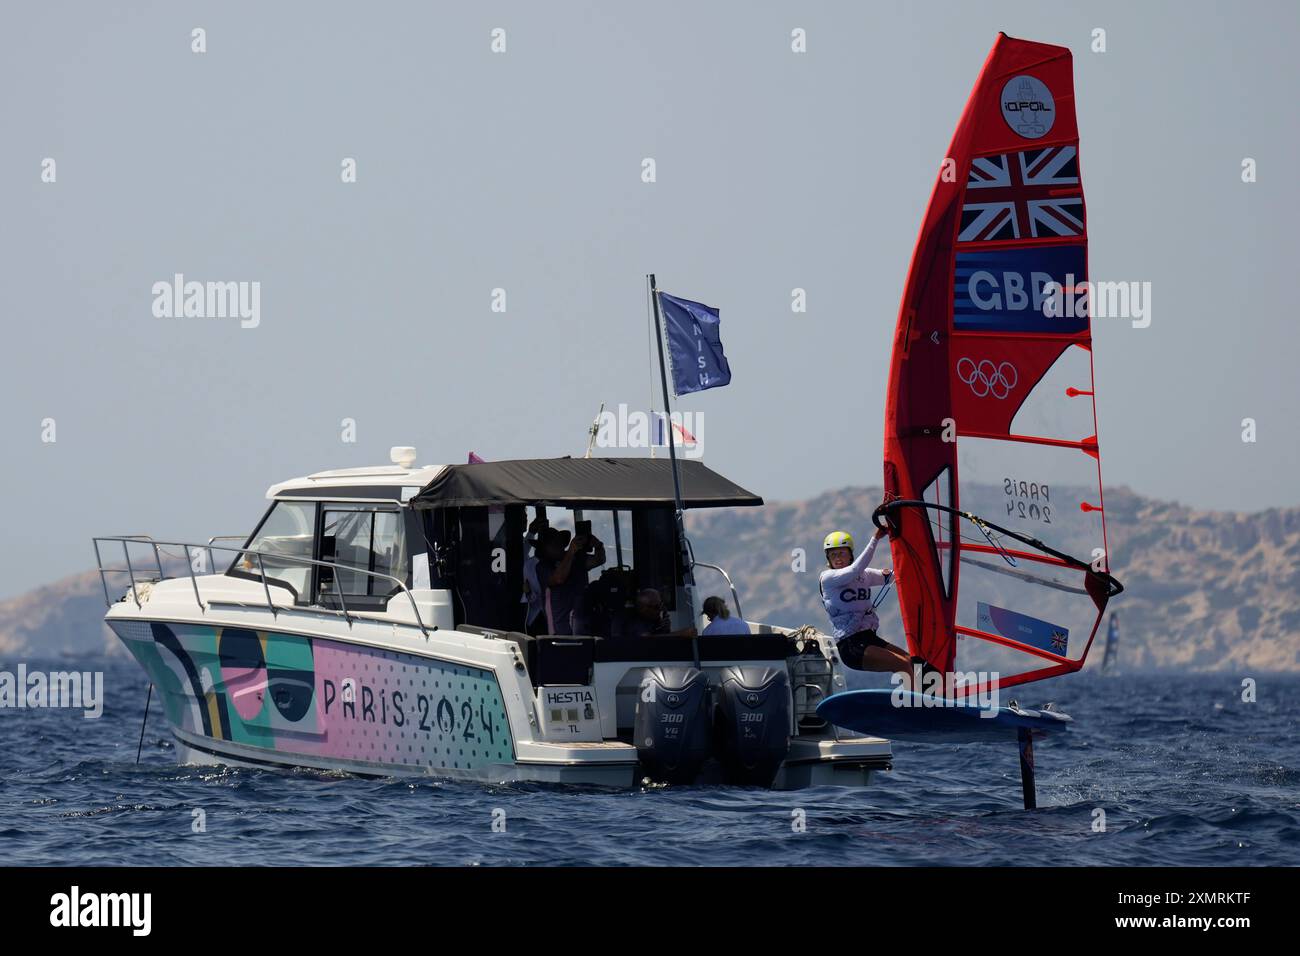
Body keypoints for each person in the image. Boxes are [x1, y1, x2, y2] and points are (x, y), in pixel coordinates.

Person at [819, 526, 911, 674]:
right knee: (902, 664)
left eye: (842, 553)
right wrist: (875, 539)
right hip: (851, 645)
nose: (837, 558)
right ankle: (914, 698)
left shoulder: (865, 575)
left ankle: (921, 695)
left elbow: (896, 576)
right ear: (828, 558)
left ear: (850, 555)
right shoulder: (828, 578)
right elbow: (854, 570)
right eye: (833, 554)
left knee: (910, 662)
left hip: (869, 637)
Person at [536, 525, 606, 635]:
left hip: (582, 621)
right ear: (544, 548)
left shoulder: (577, 559)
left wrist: (598, 545)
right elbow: (559, 578)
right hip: (560, 628)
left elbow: (599, 560)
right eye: (553, 543)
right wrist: (571, 552)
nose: (557, 546)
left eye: (559, 542)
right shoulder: (543, 566)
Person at [624, 588, 696, 638]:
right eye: (657, 606)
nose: (660, 609)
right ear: (643, 608)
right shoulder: (634, 623)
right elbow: (645, 639)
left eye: (661, 605)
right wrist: (681, 634)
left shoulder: (654, 621)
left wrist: (664, 629)